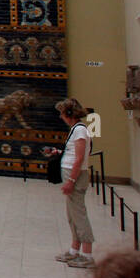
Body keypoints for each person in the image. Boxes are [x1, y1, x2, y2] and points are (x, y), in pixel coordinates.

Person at [52, 97, 95, 268]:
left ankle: (87, 254)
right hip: (72, 174)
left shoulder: (80, 131)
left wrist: (70, 181)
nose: (60, 116)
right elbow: (73, 153)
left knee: (79, 214)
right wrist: (57, 152)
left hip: (75, 176)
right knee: (72, 215)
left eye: (62, 113)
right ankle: (74, 250)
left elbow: (79, 159)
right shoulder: (76, 130)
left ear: (69, 113)